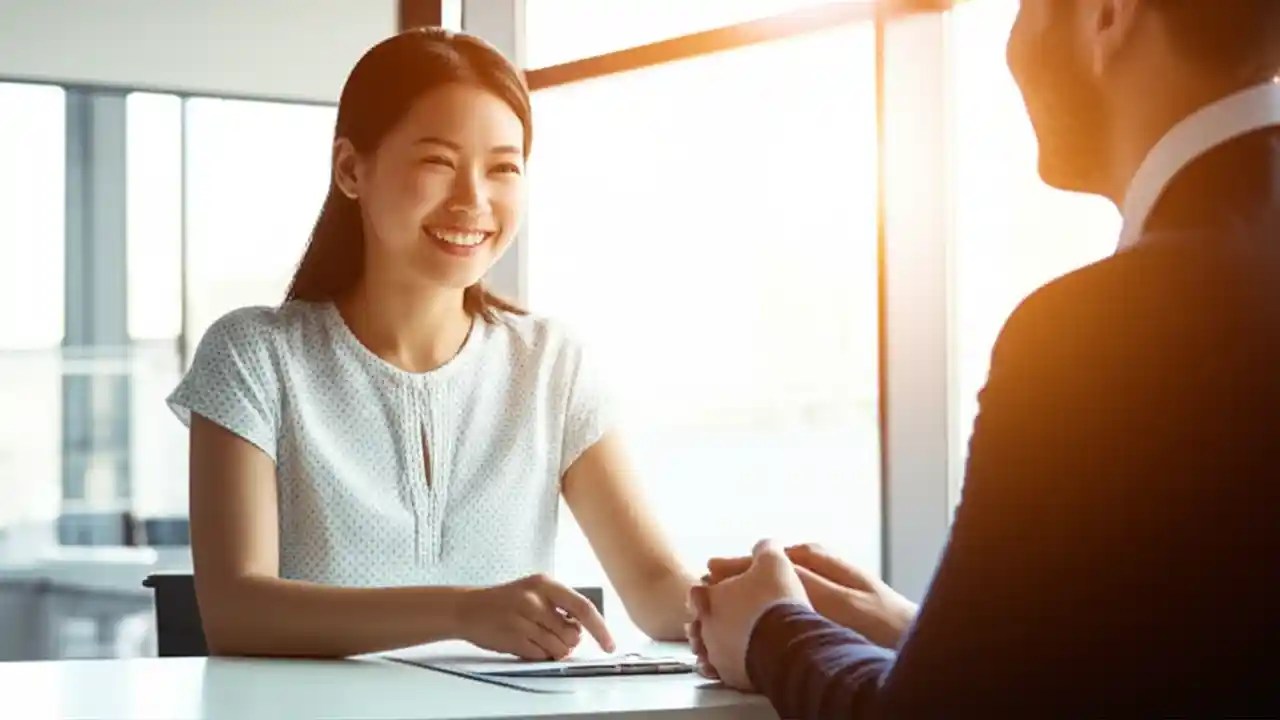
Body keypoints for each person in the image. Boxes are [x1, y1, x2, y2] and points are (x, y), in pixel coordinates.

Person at [690, 0, 1280, 716]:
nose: (1011, 47)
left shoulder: (1106, 323)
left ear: (1107, 15)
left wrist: (771, 631)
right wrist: (926, 633)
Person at [167, 27, 695, 659]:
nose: (474, 200)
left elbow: (660, 591)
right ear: (350, 170)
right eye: (438, 162)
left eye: (503, 167)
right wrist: (460, 610)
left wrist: (804, 606)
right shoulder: (253, 355)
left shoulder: (551, 364)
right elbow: (237, 611)